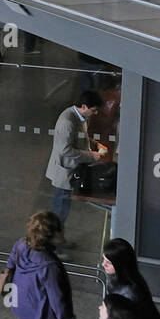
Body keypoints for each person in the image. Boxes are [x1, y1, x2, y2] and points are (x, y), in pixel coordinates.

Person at [2, 210, 80, 319]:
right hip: (43, 317)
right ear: (53, 234)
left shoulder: (22, 243)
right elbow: (58, 300)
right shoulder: (50, 266)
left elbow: (10, 263)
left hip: (23, 304)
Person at [44, 90, 105, 234]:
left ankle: (59, 239)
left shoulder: (79, 117)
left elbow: (80, 137)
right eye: (94, 110)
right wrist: (91, 156)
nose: (95, 113)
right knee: (60, 209)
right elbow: (65, 150)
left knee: (63, 208)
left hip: (70, 170)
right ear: (84, 106)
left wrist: (95, 144)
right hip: (65, 171)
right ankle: (54, 244)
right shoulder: (67, 122)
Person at [100, 237, 160, 319]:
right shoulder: (130, 278)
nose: (103, 264)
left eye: (109, 262)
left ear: (120, 264)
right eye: (103, 259)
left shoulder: (129, 292)